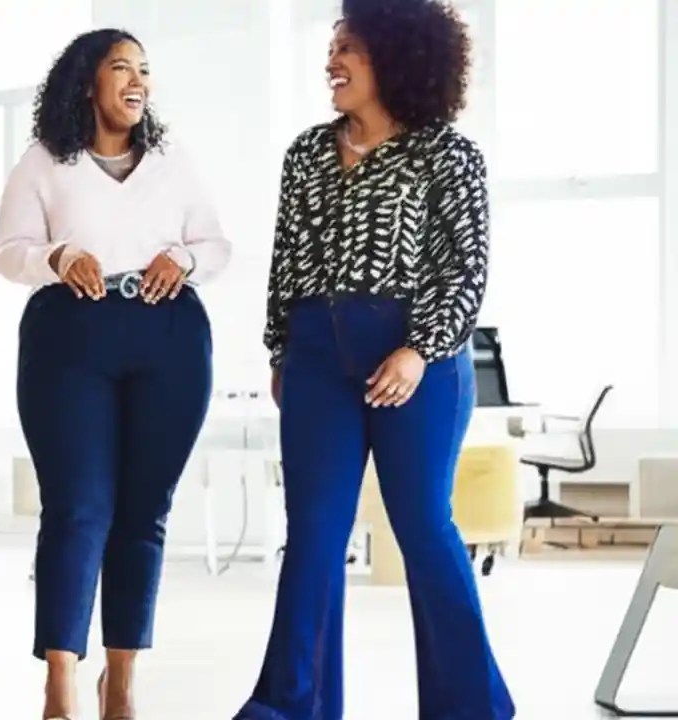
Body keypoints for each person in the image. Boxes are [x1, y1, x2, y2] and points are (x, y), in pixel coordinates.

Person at [235, 1, 514, 719]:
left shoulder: (447, 154)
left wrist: (420, 348)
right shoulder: (306, 153)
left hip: (416, 357)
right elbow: (285, 261)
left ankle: (471, 708)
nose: (332, 62)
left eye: (348, 47)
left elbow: (465, 269)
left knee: (422, 527)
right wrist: (280, 349)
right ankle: (290, 705)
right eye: (331, 47)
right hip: (315, 357)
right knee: (315, 533)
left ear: (395, 56)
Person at [0, 28, 231, 720]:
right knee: (77, 507)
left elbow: (215, 243)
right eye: (121, 67)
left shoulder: (171, 161)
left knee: (142, 513)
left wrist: (182, 261)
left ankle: (121, 680)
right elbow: (8, 251)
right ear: (86, 82)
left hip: (169, 336)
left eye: (144, 70)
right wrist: (59, 256)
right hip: (70, 336)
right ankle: (61, 680)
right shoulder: (45, 161)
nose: (137, 80)